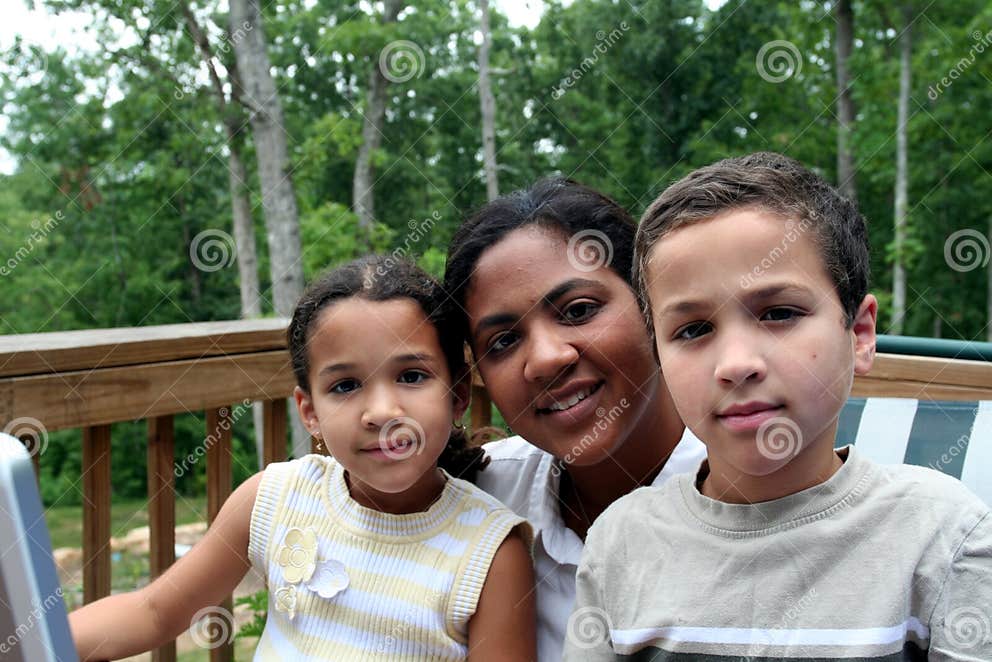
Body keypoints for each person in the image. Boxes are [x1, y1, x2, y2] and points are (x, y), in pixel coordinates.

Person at [565, 152, 992, 660]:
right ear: (659, 354)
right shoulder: (622, 542)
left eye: (780, 313)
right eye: (693, 329)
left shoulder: (943, 538)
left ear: (858, 334)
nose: (737, 363)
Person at [70, 255, 536, 661]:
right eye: (346, 386)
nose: (381, 412)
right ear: (309, 412)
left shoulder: (491, 554)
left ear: (456, 394)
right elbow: (153, 612)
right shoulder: (275, 498)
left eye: (411, 376)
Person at [444, 178, 706, 661]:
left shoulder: (753, 496)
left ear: (651, 305)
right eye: (502, 342)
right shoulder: (474, 501)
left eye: (579, 310)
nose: (546, 358)